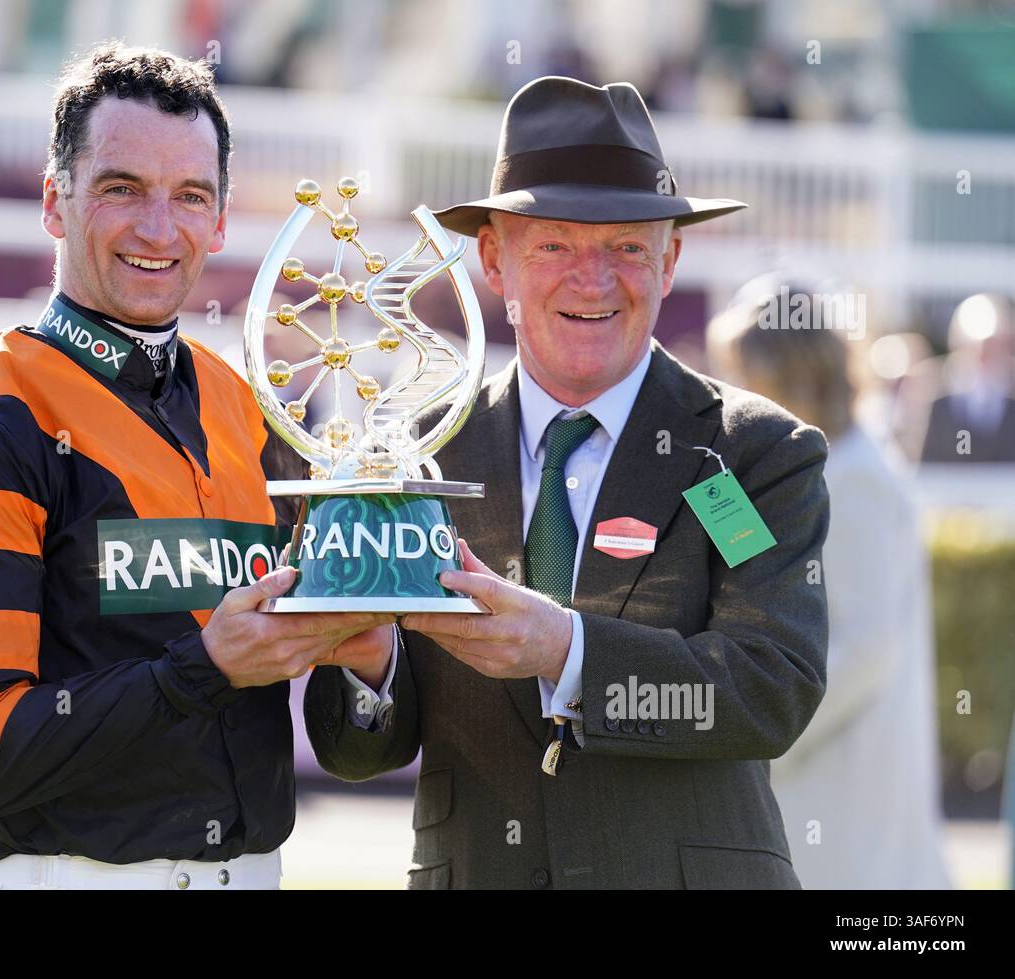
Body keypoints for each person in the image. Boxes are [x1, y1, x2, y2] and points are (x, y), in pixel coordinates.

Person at [0, 42, 391, 890]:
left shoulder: (245, 406)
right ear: (54, 200)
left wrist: (370, 665)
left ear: (221, 219)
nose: (160, 228)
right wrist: (205, 668)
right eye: (122, 188)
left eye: (190, 196)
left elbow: (351, 745)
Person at [304, 76, 830, 889]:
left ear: (669, 261)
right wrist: (367, 666)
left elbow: (770, 686)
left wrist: (568, 651)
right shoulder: (415, 456)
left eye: (626, 246)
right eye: (554, 244)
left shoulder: (751, 453)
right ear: (493, 260)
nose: (593, 279)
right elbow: (360, 747)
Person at [706, 274, 951, 889]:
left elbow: (868, 648)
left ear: (792, 376)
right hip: (797, 772)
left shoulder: (857, 475)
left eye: (745, 376)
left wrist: (758, 716)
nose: (734, 396)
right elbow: (745, 559)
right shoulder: (789, 464)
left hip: (839, 773)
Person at [918, 293, 1015, 463]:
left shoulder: (1010, 405)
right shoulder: (941, 406)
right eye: (980, 348)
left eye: (994, 346)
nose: (985, 356)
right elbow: (929, 464)